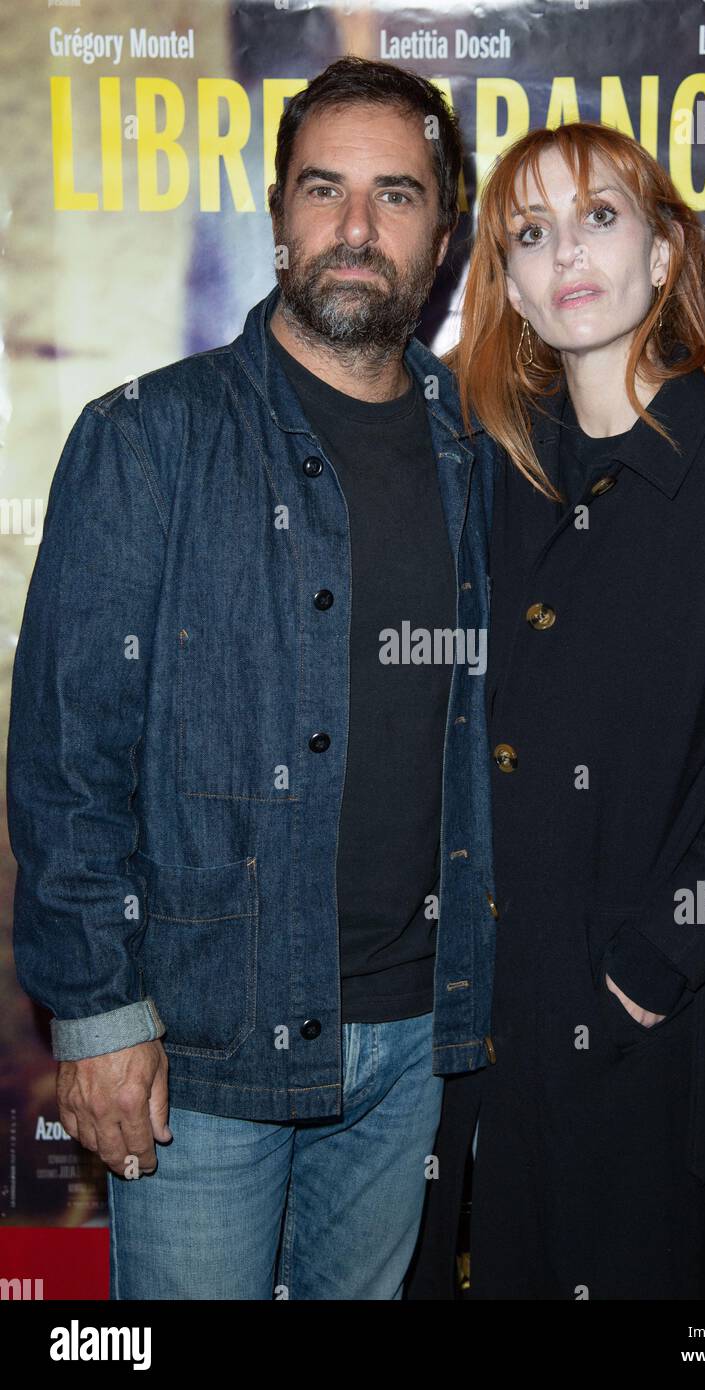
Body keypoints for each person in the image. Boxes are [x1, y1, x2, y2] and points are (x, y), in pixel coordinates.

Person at [7, 57, 500, 1300]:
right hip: (198, 1048)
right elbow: (69, 749)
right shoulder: (146, 437)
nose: (352, 227)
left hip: (410, 1041)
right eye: (321, 189)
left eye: (393, 196)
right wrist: (98, 1015)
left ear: (441, 235)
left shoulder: (478, 457)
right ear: (275, 214)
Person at [405, 120, 705, 1300]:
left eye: (598, 216)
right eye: (530, 232)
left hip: (646, 1033)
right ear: (503, 281)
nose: (567, 252)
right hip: (478, 1031)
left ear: (663, 255)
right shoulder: (490, 475)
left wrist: (655, 964)